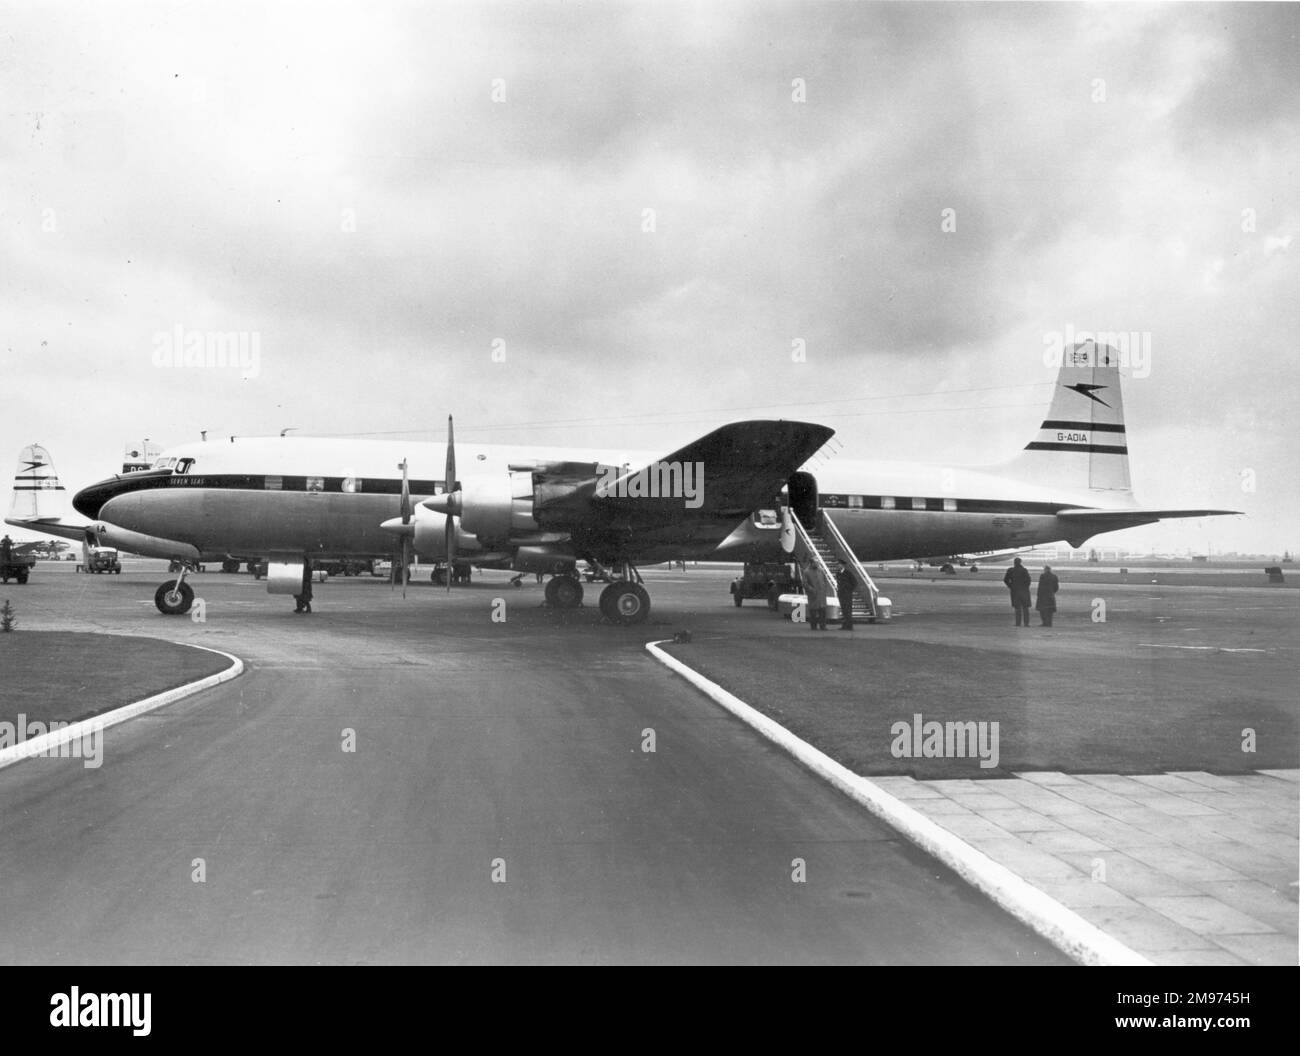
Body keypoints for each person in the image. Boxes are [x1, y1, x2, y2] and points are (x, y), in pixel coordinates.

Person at [1002, 557, 1031, 628]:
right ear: (1020, 562)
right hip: (1024, 591)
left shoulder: (1011, 570)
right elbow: (1028, 580)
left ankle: (1018, 623)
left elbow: (1005, 580)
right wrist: (1025, 587)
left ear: (1014, 562)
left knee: (1017, 608)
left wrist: (1011, 586)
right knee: (1025, 608)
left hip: (1015, 591)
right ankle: (1026, 623)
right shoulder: (1024, 570)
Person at [804, 562, 828, 630]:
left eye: (817, 563)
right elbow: (805, 583)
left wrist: (824, 589)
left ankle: (823, 626)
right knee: (813, 611)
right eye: (815, 563)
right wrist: (811, 589)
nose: (817, 564)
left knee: (822, 611)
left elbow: (825, 580)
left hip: (821, 595)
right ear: (811, 563)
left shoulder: (821, 570)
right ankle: (813, 626)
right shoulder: (806, 571)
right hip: (813, 595)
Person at [835, 563, 856, 630]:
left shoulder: (848, 573)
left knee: (848, 610)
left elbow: (855, 582)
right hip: (841, 594)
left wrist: (849, 590)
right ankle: (844, 625)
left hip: (847, 594)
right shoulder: (838, 573)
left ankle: (849, 626)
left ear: (842, 565)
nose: (837, 566)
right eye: (837, 565)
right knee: (844, 610)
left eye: (839, 565)